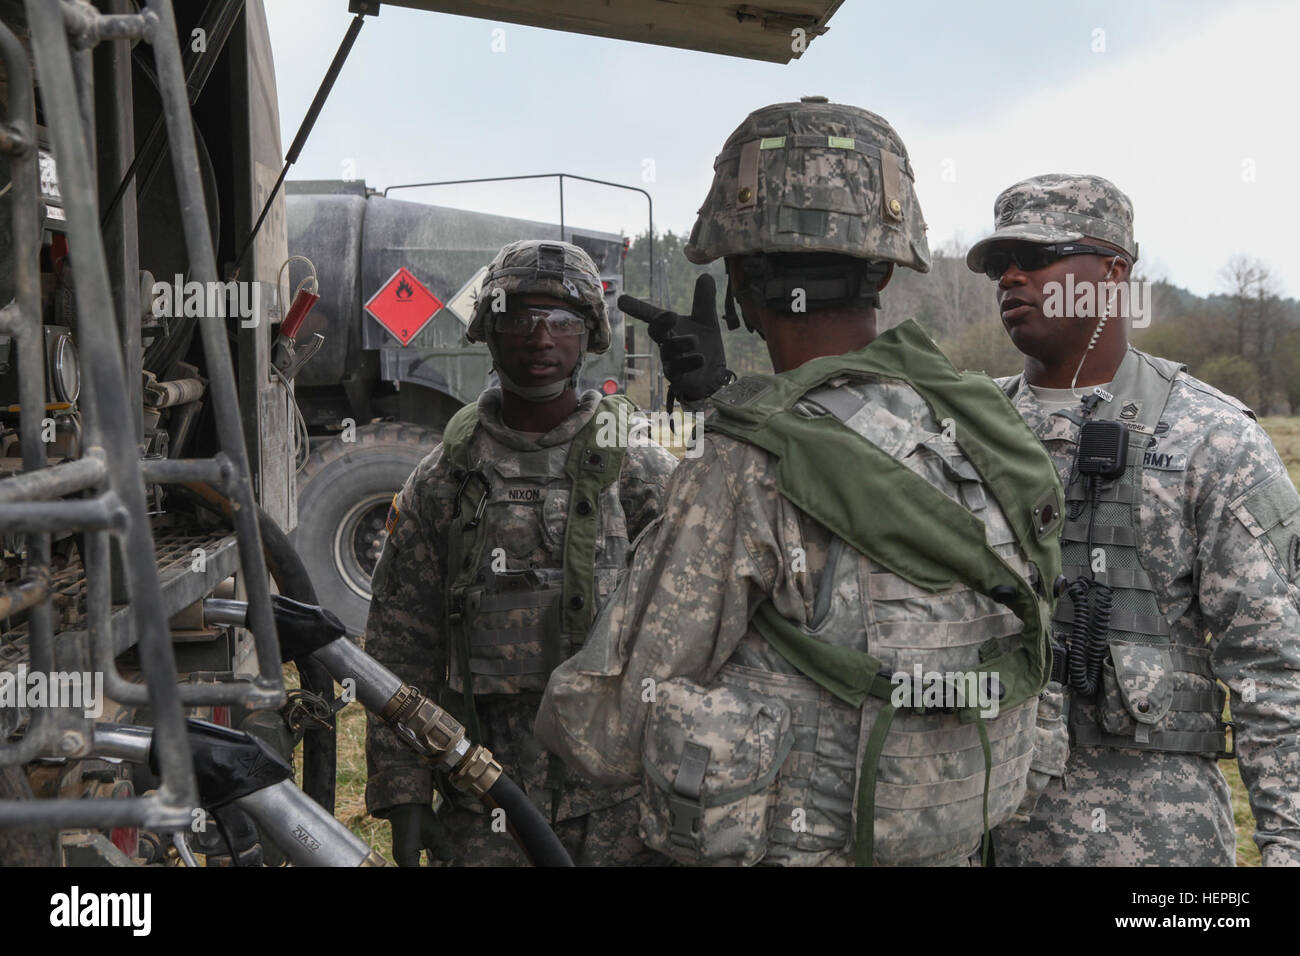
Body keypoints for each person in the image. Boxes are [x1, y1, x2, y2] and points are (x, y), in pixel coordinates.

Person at [534, 98, 1067, 867]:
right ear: (884, 267)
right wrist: (728, 402)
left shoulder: (745, 468)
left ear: (740, 277)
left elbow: (609, 719)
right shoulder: (991, 427)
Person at [964, 173, 1300, 866]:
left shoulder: (1210, 437)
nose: (1012, 277)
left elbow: (1277, 671)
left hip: (1154, 851)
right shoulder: (962, 432)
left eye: (1038, 255)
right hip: (981, 838)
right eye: (1000, 263)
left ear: (1113, 273)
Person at [363, 239, 678, 865]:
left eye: (562, 321)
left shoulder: (639, 471)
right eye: (519, 318)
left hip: (619, 809)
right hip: (485, 807)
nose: (541, 338)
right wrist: (403, 794)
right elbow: (403, 646)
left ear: (590, 335)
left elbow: (689, 636)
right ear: (489, 331)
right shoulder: (445, 479)